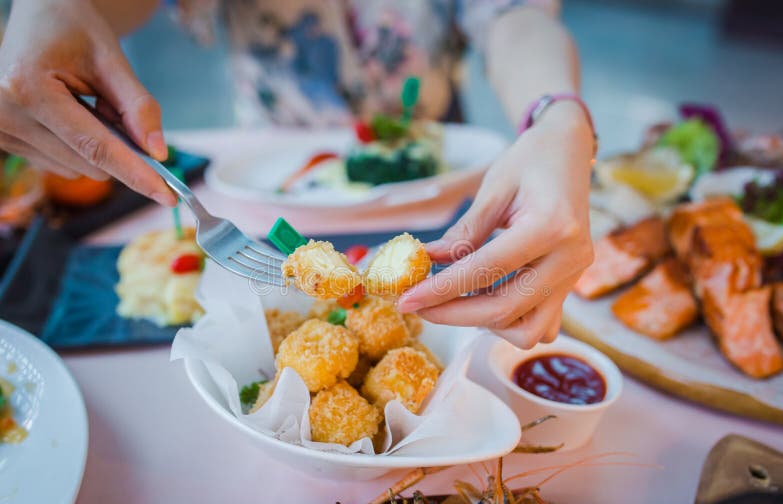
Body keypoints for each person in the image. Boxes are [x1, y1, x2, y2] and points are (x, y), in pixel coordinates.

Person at [0, 0, 595, 348]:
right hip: (266, 179)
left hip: (451, 187)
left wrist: (555, 115)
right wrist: (54, 6)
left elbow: (517, 16)